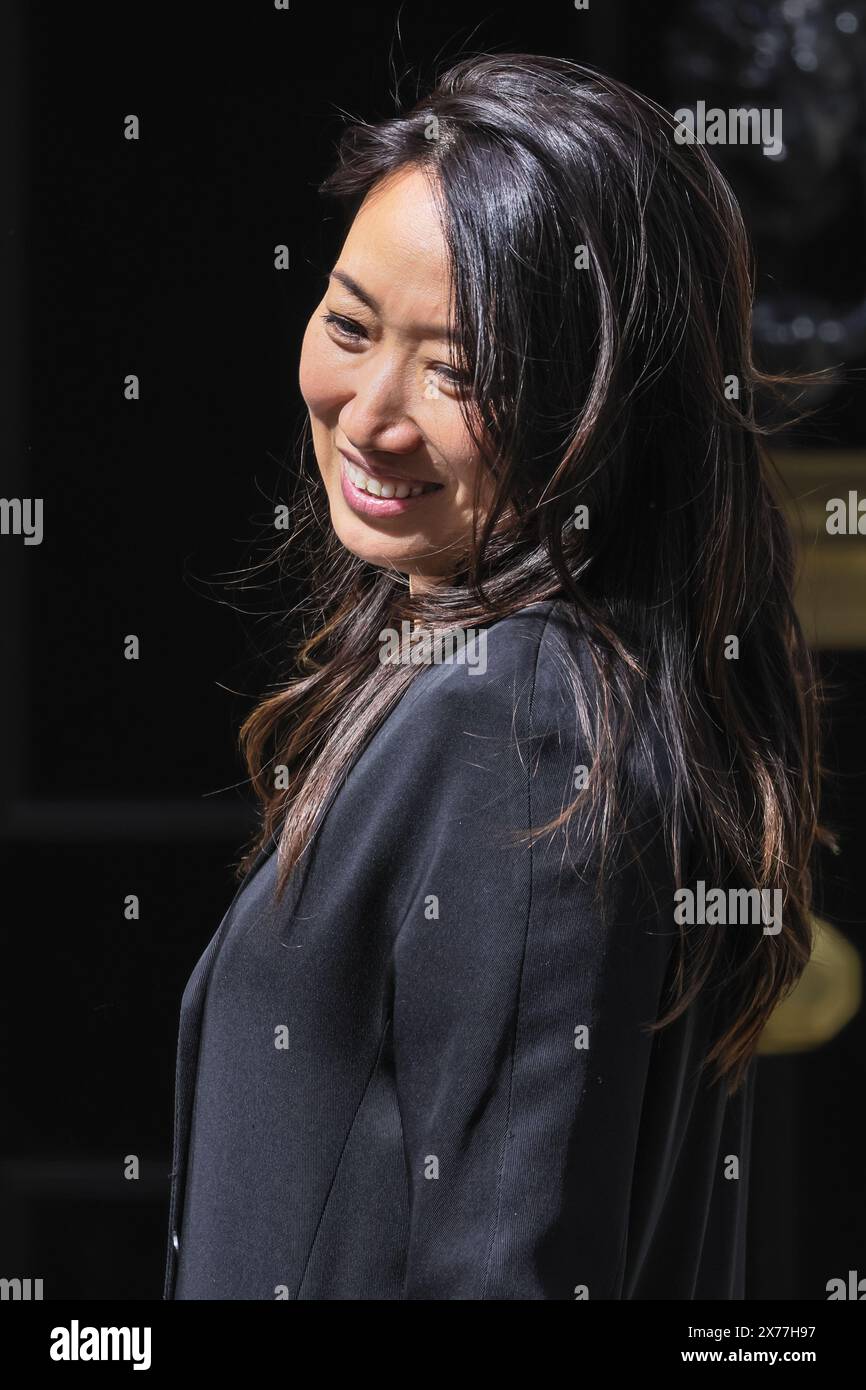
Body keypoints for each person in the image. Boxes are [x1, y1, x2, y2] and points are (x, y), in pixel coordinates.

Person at [163, 53, 829, 1300]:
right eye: (350, 326)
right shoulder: (533, 687)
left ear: (600, 402)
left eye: (460, 372)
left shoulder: (519, 724)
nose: (369, 413)